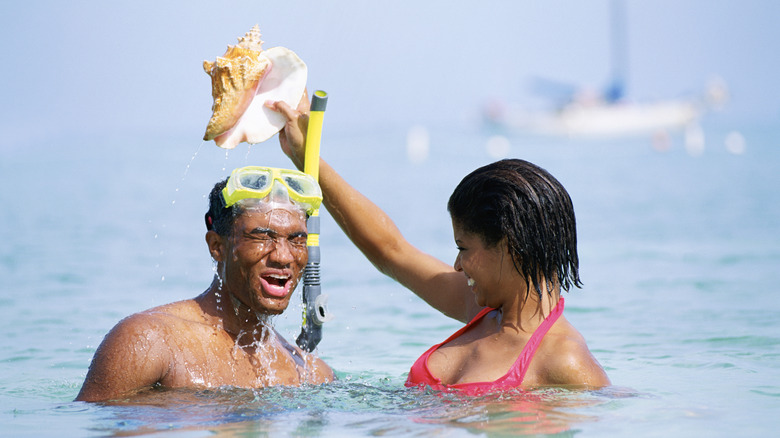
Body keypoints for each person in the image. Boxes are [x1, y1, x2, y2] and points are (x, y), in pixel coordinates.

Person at [267, 98, 610, 394]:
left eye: (463, 248)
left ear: (509, 247)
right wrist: (306, 157)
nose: (457, 266)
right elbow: (391, 250)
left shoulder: (566, 361)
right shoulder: (485, 308)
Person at [76, 166, 334, 402]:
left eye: (296, 240)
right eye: (262, 237)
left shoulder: (310, 372)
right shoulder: (150, 341)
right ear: (217, 247)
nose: (283, 255)